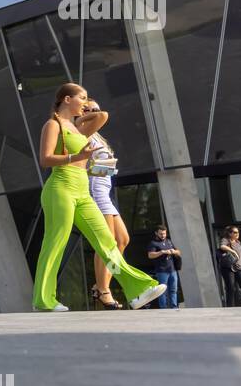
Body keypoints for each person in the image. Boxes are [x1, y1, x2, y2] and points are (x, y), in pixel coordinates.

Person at [32, 83, 165, 312]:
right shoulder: (53, 125)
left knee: (107, 242)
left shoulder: (77, 129)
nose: (85, 103)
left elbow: (103, 115)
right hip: (60, 188)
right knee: (55, 243)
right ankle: (43, 300)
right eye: (81, 98)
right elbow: (45, 159)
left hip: (83, 191)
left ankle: (137, 289)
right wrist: (76, 156)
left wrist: (83, 114)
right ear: (66, 99)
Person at [83, 99, 125, 309]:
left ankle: (101, 285)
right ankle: (103, 289)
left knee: (122, 240)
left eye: (96, 109)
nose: (94, 113)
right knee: (106, 243)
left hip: (104, 190)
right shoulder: (81, 131)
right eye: (88, 109)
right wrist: (91, 114)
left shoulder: (96, 134)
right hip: (95, 191)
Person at [146, 225, 181, 308]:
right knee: (162, 291)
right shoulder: (153, 243)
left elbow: (179, 252)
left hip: (172, 270)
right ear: (156, 233)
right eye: (161, 234)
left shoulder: (169, 241)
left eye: (164, 234)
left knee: (173, 290)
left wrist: (174, 251)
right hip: (161, 271)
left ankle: (174, 307)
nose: (163, 236)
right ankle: (163, 308)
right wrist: (162, 252)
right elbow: (150, 255)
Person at [217, 226, 241, 306]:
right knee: (231, 288)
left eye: (237, 232)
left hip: (239, 267)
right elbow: (222, 246)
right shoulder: (225, 240)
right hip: (228, 268)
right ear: (229, 233)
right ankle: (230, 307)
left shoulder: (238, 242)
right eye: (234, 232)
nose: (237, 234)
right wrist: (233, 252)